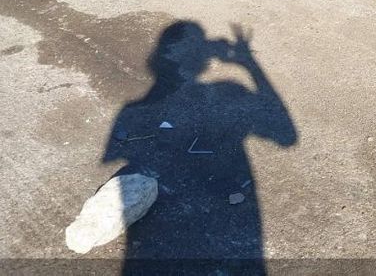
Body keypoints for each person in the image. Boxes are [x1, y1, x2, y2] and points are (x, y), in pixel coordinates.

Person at [103, 21, 297, 270]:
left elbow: (286, 136)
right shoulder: (229, 90)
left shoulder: (130, 113)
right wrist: (249, 63)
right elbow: (286, 135)